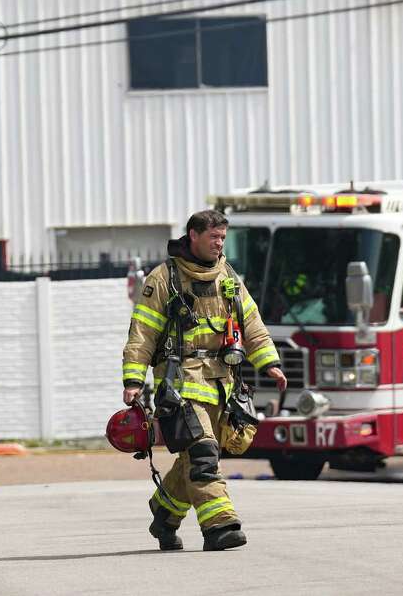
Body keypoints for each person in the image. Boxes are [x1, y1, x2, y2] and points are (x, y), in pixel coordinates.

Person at [122, 209, 287, 551]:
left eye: (223, 237)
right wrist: (133, 380)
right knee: (202, 454)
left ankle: (164, 513)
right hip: (180, 385)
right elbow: (142, 334)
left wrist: (269, 363)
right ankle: (220, 526)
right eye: (213, 237)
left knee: (195, 458)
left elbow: (252, 324)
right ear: (193, 235)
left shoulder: (228, 276)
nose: (219, 243)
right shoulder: (163, 279)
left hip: (221, 385)